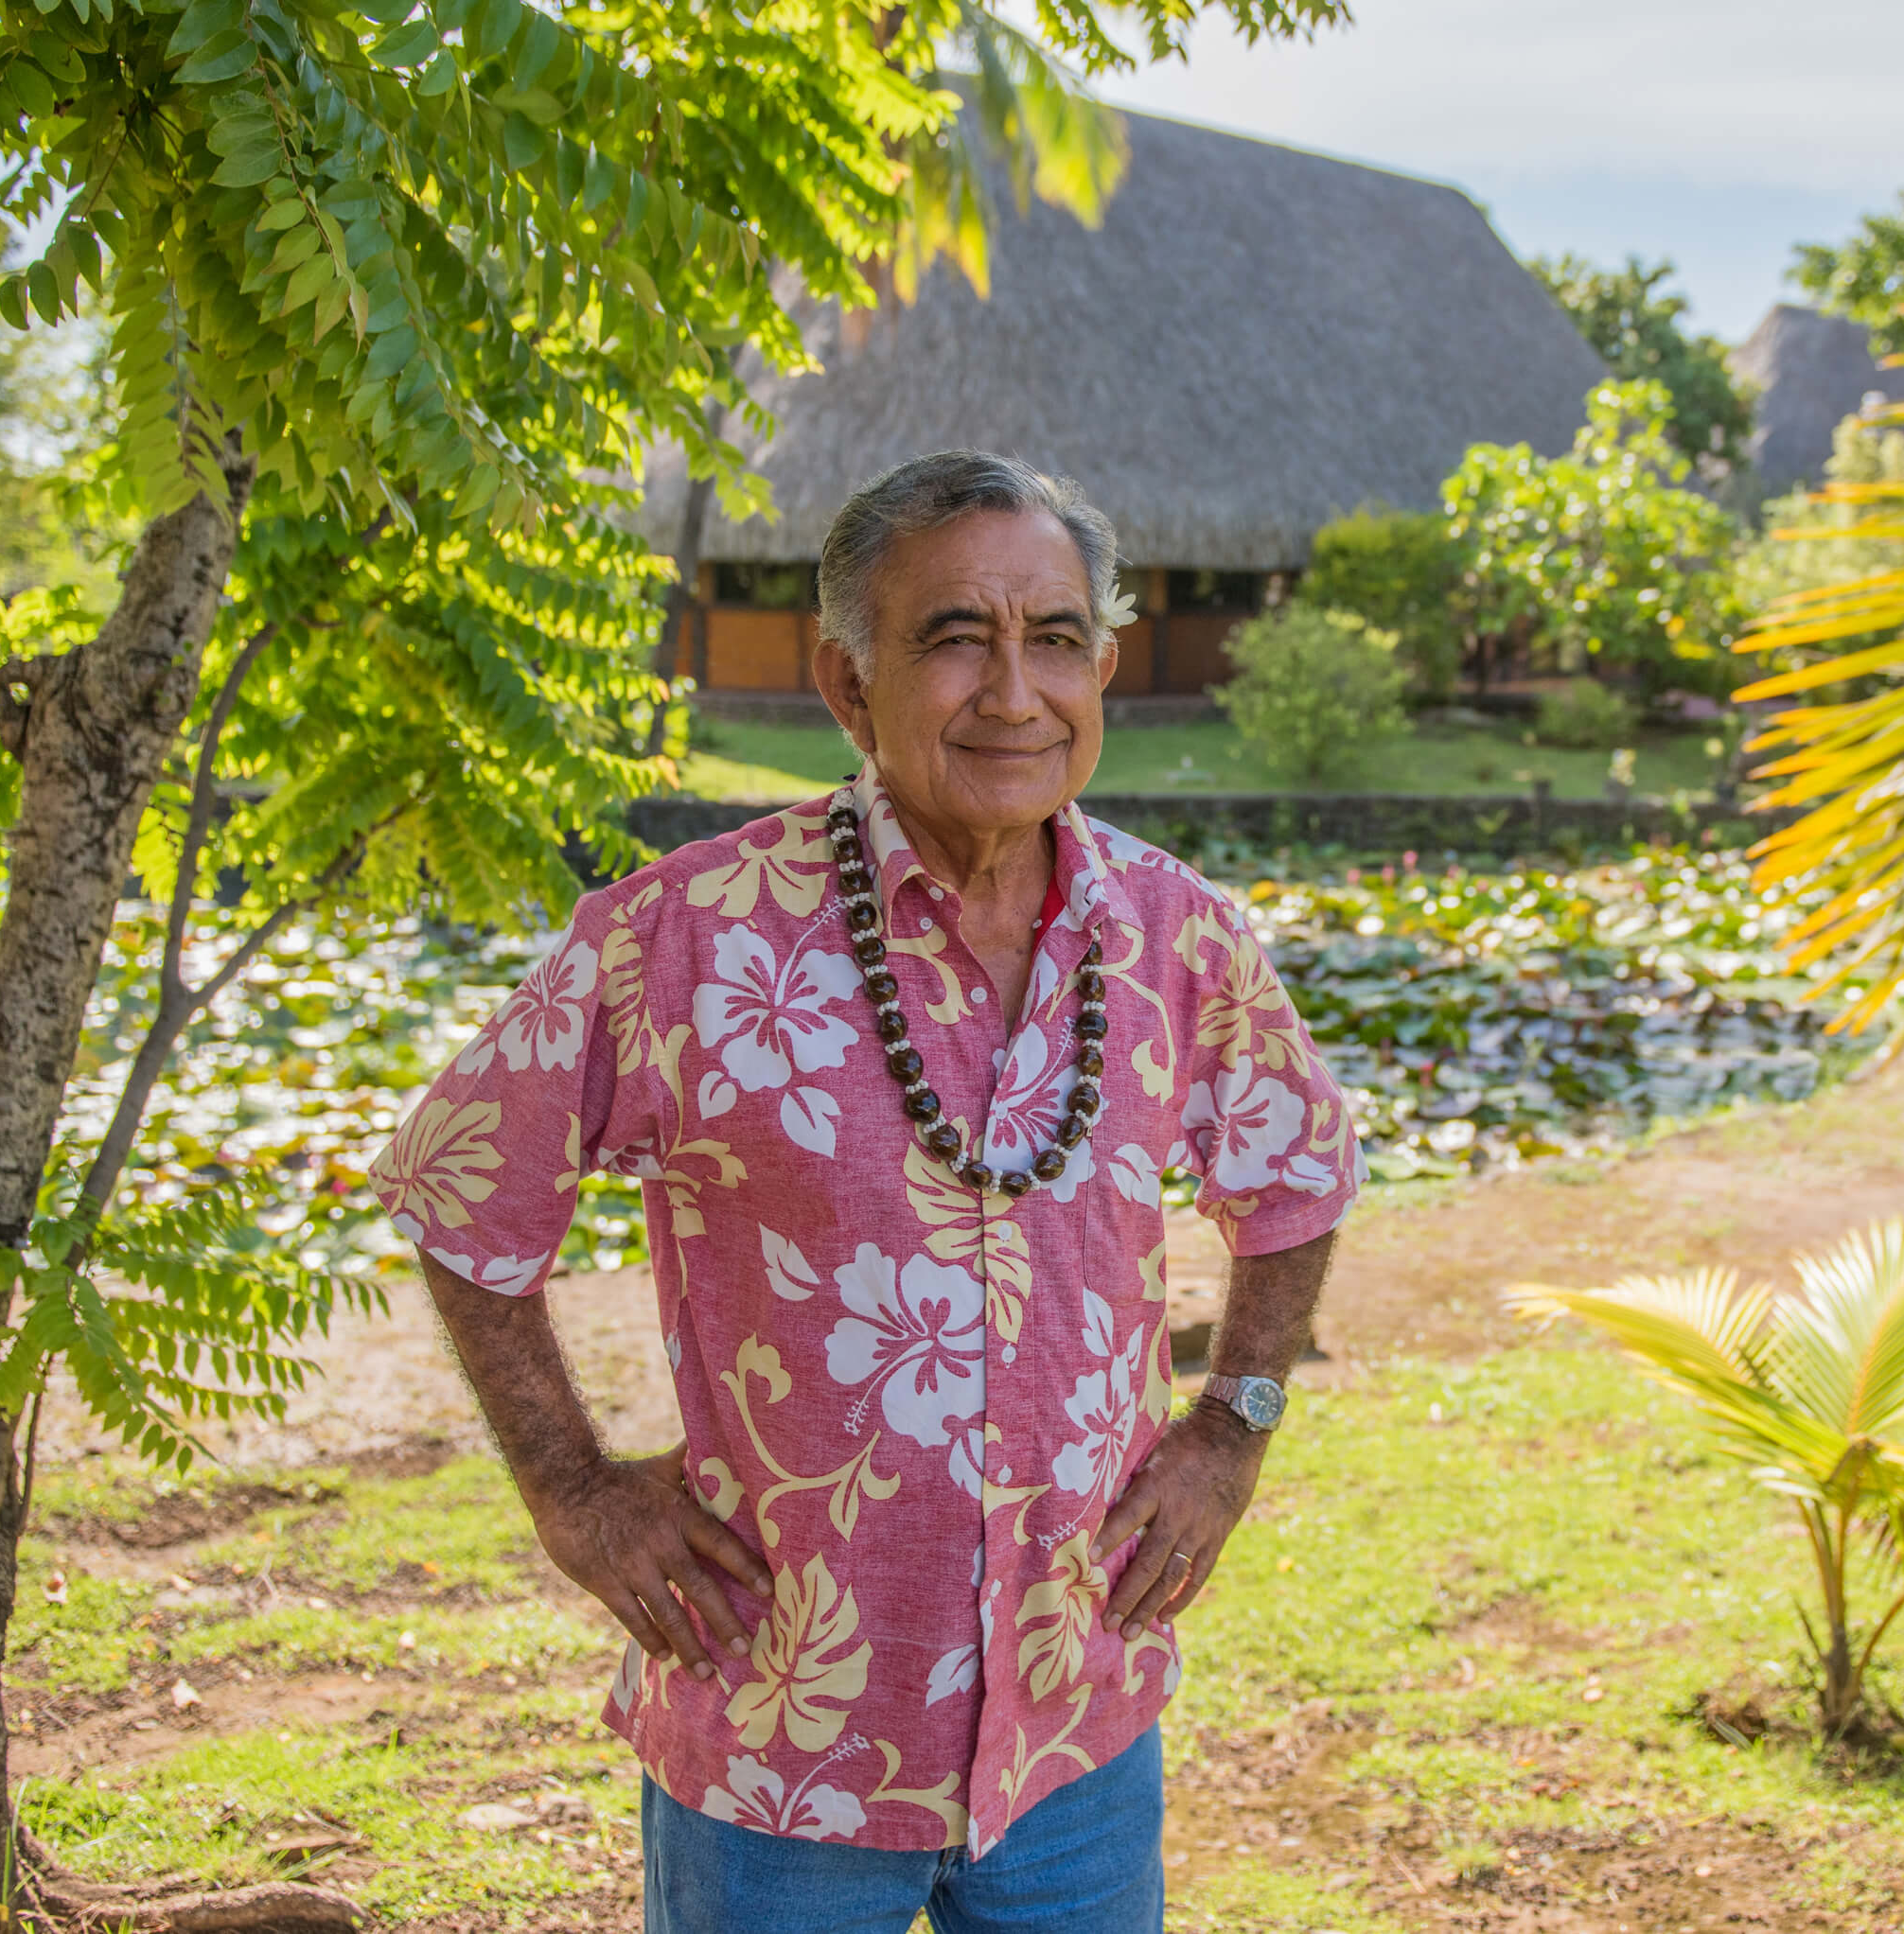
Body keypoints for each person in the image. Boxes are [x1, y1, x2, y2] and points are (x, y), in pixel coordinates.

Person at [369, 450, 1362, 1930]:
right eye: (957, 636)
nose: (1014, 692)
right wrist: (573, 1491)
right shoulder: (683, 937)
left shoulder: (1177, 935)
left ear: (1102, 667)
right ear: (847, 683)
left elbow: (1296, 1176)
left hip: (1073, 1729)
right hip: (780, 1744)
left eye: (1057, 640)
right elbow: (462, 1195)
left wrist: (1233, 1428)